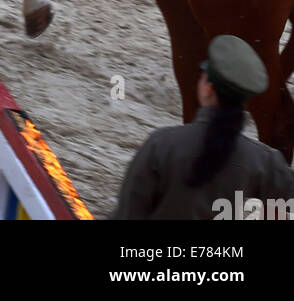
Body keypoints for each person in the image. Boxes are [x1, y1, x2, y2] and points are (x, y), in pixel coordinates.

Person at [113, 35, 294, 219]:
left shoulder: (160, 145)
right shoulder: (263, 162)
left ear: (208, 88)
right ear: (245, 101)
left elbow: (127, 213)